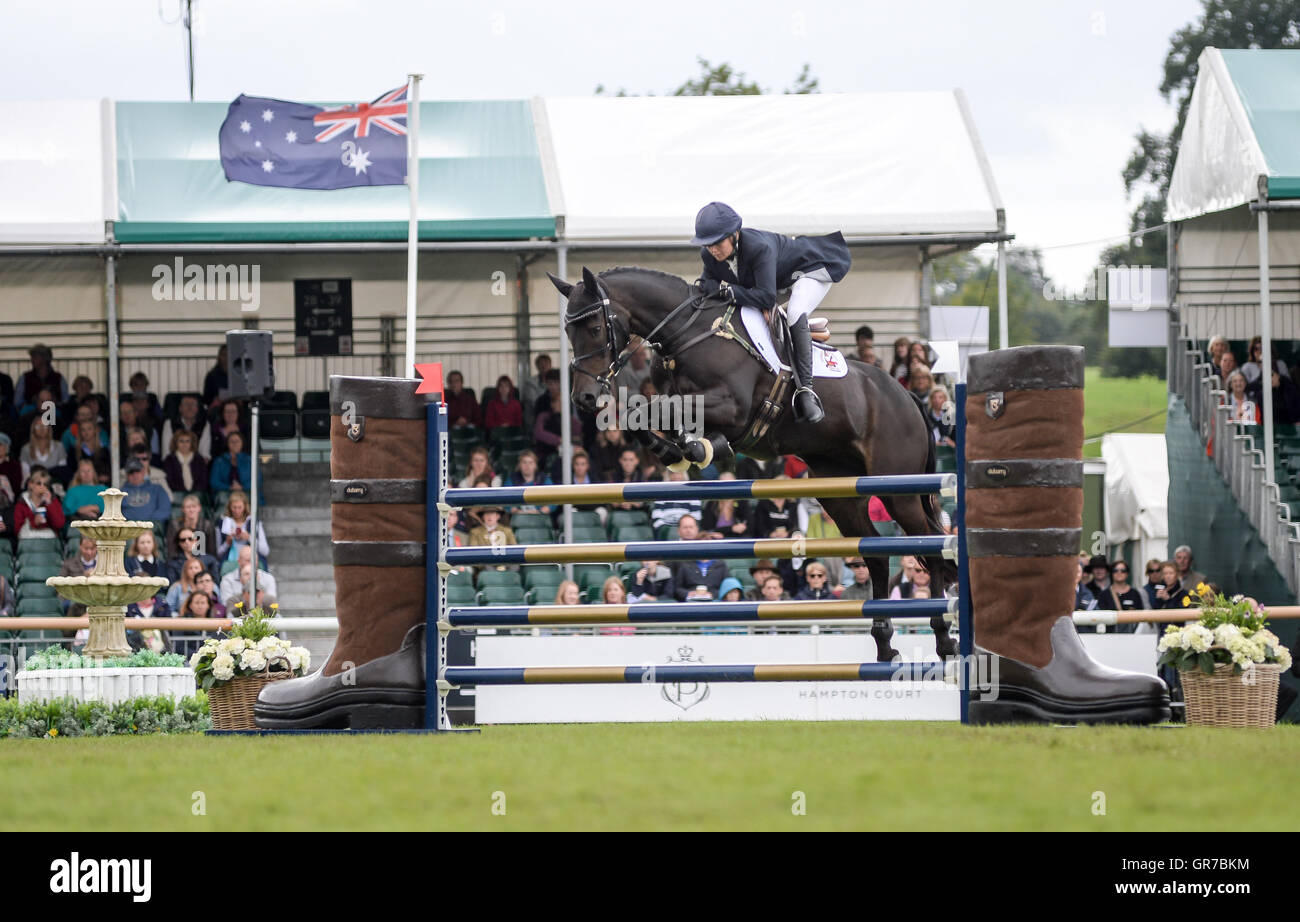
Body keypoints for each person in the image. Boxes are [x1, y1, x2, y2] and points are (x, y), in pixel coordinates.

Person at [691, 201, 851, 424]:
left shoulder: (758, 247)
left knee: (795, 312)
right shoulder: (709, 254)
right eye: (707, 244)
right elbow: (708, 287)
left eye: (716, 242)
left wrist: (725, 290)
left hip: (807, 270)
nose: (712, 249)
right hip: (776, 281)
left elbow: (765, 297)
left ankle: (806, 391)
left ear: (734, 234)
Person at [671, 514, 729, 601]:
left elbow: (727, 586)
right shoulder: (685, 564)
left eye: (691, 527)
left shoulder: (720, 565)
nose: (688, 530)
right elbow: (677, 588)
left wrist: (713, 594)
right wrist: (688, 594)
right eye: (685, 527)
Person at [13, 343, 68, 414]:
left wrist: (54, 401)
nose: (32, 360)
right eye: (32, 357)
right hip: (31, 412)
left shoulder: (58, 377)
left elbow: (65, 400)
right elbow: (17, 401)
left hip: (53, 411)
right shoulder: (25, 377)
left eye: (35, 357)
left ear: (45, 358)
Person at [217, 490, 269, 564]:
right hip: (230, 561)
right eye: (234, 507)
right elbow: (218, 554)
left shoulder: (254, 522)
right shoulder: (223, 523)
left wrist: (249, 538)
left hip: (250, 562)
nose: (237, 511)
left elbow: (265, 551)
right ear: (229, 507)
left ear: (245, 507)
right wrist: (227, 543)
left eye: (239, 507)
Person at [14, 466, 65, 539]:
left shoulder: (53, 501)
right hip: (27, 541)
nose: (42, 487)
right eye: (39, 483)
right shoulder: (21, 504)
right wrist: (33, 522)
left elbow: (59, 525)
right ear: (30, 484)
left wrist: (49, 504)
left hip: (49, 540)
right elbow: (17, 531)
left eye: (45, 484)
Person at [121, 458, 170, 528]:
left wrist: (149, 523)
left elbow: (164, 510)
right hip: (128, 529)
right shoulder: (121, 492)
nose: (135, 475)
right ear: (127, 475)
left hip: (152, 527)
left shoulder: (157, 489)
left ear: (143, 472)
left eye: (137, 471)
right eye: (131, 472)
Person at [166, 492, 217, 559]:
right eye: (188, 507)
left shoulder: (207, 526)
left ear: (199, 508)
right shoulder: (175, 525)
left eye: (194, 507)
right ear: (183, 510)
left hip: (202, 561)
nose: (191, 510)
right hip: (179, 560)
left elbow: (211, 550)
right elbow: (171, 549)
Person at [162, 395, 212, 460]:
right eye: (186, 404)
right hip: (174, 464)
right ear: (180, 408)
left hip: (197, 464)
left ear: (197, 409)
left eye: (193, 404)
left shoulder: (205, 424)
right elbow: (166, 453)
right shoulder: (169, 423)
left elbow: (205, 454)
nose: (190, 407)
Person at [209, 429, 258, 495]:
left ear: (242, 443)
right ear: (227, 444)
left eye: (237, 441)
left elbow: (257, 479)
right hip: (225, 492)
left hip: (246, 492)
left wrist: (242, 487)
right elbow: (214, 481)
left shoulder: (250, 460)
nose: (234, 444)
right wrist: (229, 488)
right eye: (231, 441)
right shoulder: (219, 461)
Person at [163, 429, 210, 495]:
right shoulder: (169, 460)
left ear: (192, 443)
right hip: (176, 492)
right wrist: (184, 493)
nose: (184, 444)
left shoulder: (199, 459)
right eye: (181, 441)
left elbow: (203, 481)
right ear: (176, 443)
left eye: (188, 441)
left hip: (196, 493)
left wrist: (193, 493)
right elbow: (169, 482)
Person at [202, 344, 231, 411]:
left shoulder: (240, 376)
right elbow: (206, 398)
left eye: (229, 355)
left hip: (235, 408)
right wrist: (215, 400)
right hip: (218, 408)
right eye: (224, 355)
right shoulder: (211, 376)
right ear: (219, 357)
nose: (226, 358)